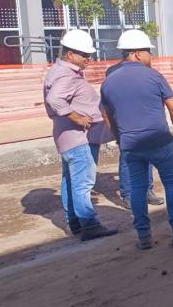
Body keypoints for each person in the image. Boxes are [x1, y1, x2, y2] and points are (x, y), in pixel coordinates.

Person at [101, 30, 173, 250]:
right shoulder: (154, 76)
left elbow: (107, 115)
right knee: (171, 184)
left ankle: (144, 237)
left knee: (137, 188)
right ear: (137, 53)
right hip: (159, 141)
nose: (151, 56)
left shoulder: (109, 80)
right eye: (148, 52)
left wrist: (119, 138)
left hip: (130, 145)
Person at [42, 29, 118, 241]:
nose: (88, 59)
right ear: (70, 54)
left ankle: (74, 221)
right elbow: (55, 100)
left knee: (70, 180)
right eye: (85, 55)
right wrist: (77, 117)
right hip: (79, 138)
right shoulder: (66, 74)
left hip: (68, 137)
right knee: (83, 182)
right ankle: (89, 224)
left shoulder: (57, 71)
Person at [105, 60, 165, 210]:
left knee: (148, 158)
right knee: (127, 159)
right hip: (125, 124)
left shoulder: (145, 69)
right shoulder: (113, 72)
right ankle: (128, 194)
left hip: (144, 122)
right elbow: (108, 105)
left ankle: (147, 191)